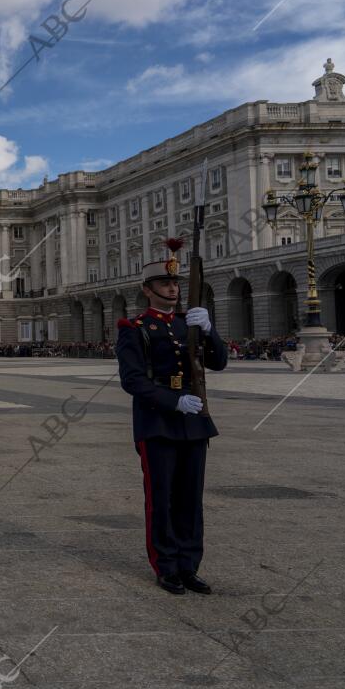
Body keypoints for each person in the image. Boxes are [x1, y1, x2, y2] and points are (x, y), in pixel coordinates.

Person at [116, 237, 228, 596]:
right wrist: (172, 401)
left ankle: (188, 565)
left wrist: (210, 332)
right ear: (147, 290)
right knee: (160, 498)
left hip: (194, 423)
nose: (173, 289)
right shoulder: (134, 329)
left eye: (176, 283)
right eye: (165, 283)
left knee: (190, 499)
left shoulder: (188, 323)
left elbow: (218, 362)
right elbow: (132, 381)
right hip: (158, 422)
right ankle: (165, 566)